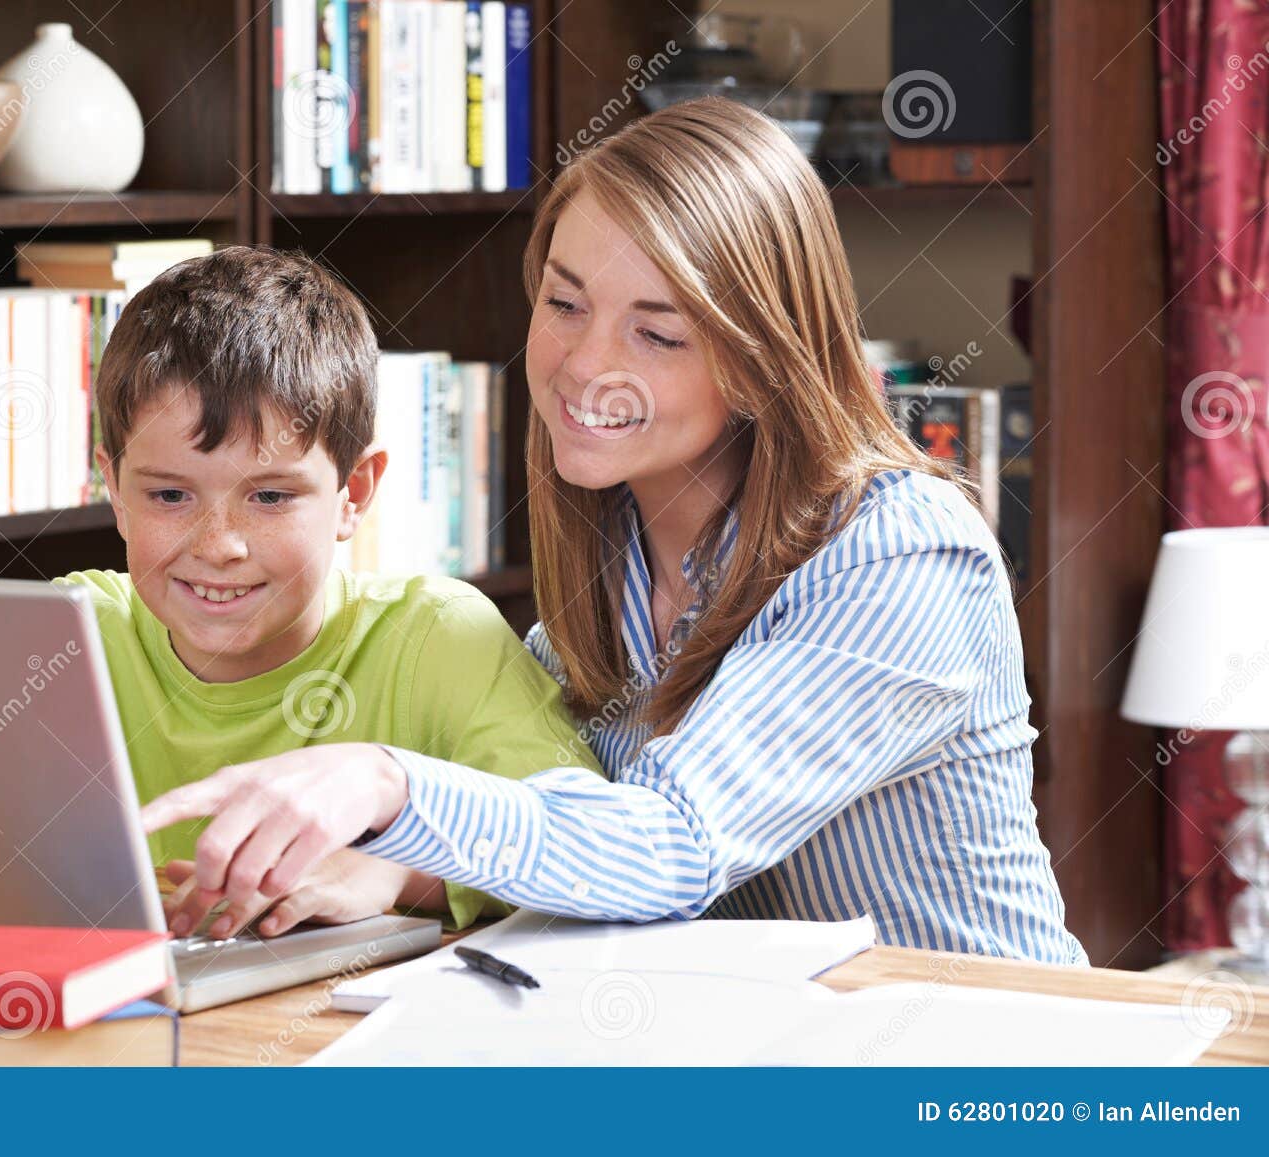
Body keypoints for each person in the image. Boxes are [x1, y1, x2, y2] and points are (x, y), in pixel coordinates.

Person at [141, 98, 1090, 965]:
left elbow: (673, 845)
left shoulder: (902, 554)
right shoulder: (615, 564)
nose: (586, 365)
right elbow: (581, 839)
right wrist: (393, 875)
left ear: (760, 361)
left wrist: (387, 782)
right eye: (564, 303)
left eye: (658, 333)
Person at [57, 245, 601, 941]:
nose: (218, 545)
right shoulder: (68, 638)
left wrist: (395, 871)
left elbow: (592, 851)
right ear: (114, 490)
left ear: (355, 493)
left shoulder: (440, 638)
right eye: (169, 495)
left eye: (271, 496)